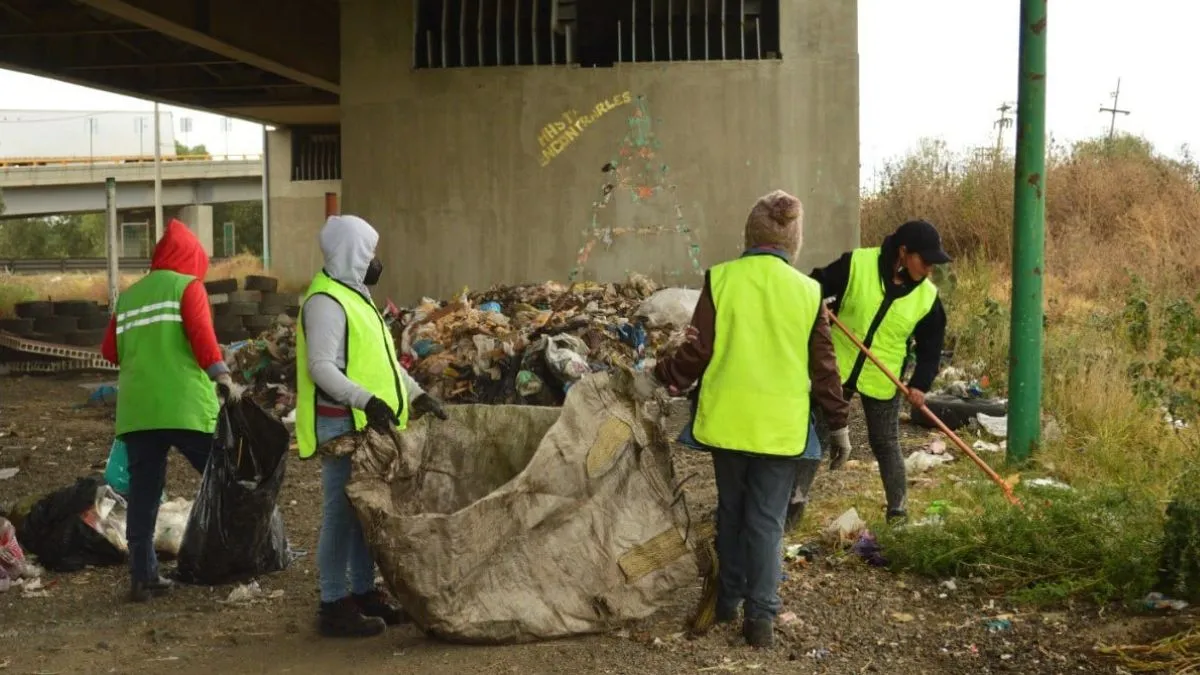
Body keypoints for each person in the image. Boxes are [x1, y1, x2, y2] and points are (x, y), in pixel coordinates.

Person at [651, 191, 851, 649]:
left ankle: (726, 602)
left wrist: (661, 378)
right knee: (766, 520)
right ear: (794, 242)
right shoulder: (808, 291)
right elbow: (824, 367)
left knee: (732, 512)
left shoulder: (721, 279)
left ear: (748, 233)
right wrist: (838, 424)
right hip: (780, 430)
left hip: (727, 422)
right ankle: (760, 620)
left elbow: (696, 352)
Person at [294, 214, 448, 639]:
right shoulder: (326, 301)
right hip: (344, 425)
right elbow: (320, 368)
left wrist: (416, 394)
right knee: (341, 515)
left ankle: (363, 593)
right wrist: (366, 400)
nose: (375, 261)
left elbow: (384, 364)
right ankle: (332, 603)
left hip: (368, 424)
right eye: (370, 253)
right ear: (352, 253)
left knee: (366, 514)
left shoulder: (355, 296)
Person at [100, 218, 243, 603]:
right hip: (184, 406)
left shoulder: (130, 297)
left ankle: (143, 576)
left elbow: (109, 351)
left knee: (145, 493)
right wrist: (222, 375)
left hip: (138, 412)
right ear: (192, 259)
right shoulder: (187, 287)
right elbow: (202, 337)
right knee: (224, 478)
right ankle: (243, 553)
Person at [789, 219, 951, 527]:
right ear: (904, 252)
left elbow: (932, 346)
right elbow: (815, 285)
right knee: (817, 438)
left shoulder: (927, 297)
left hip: (882, 375)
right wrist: (820, 304)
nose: (929, 269)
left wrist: (920, 384)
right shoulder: (858, 264)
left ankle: (899, 513)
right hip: (837, 367)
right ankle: (792, 508)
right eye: (925, 260)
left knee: (886, 441)